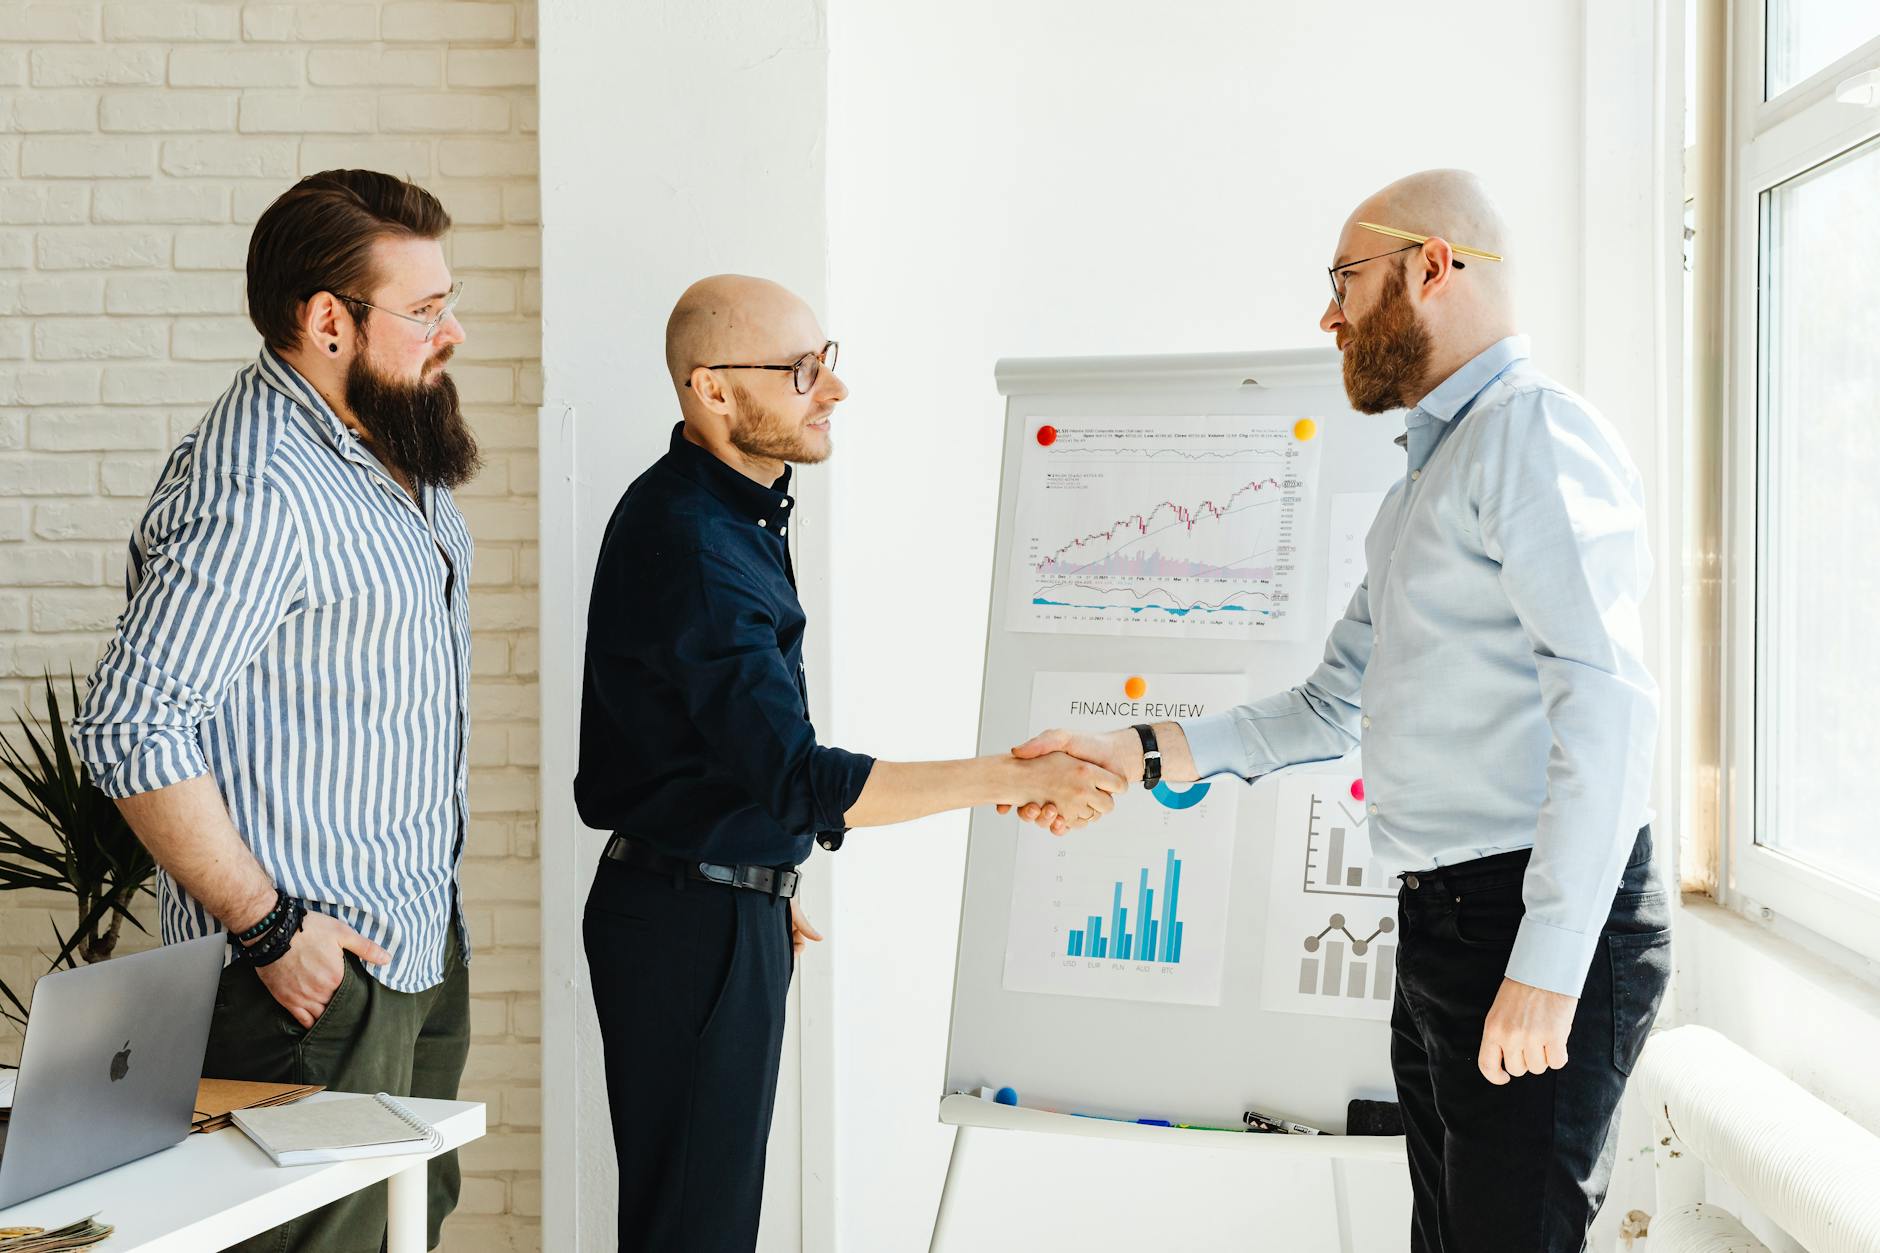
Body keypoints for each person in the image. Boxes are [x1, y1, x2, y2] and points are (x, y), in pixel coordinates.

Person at [1009, 170, 1670, 1252]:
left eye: (1344, 282)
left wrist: (1547, 965)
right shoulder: (1424, 478)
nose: (1328, 316)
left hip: (1534, 916)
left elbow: (1607, 705)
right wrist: (1135, 748)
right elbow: (1325, 705)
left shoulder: (1532, 437)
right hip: (1447, 920)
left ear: (1430, 267)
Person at [576, 274, 1124, 1251]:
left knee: (704, 1221)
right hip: (686, 916)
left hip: (713, 899)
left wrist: (756, 866)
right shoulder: (696, 543)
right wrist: (1019, 774)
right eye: (799, 370)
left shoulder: (734, 515)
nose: (831, 389)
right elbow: (800, 775)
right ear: (710, 389)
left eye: (828, 362)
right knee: (693, 1232)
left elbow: (726, 754)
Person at [72, 169, 481, 1253]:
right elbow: (132, 720)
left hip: (409, 944)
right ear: (327, 322)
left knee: (401, 1232)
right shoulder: (262, 484)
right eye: (426, 310)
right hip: (304, 986)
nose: (453, 330)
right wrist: (267, 926)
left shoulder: (388, 441)